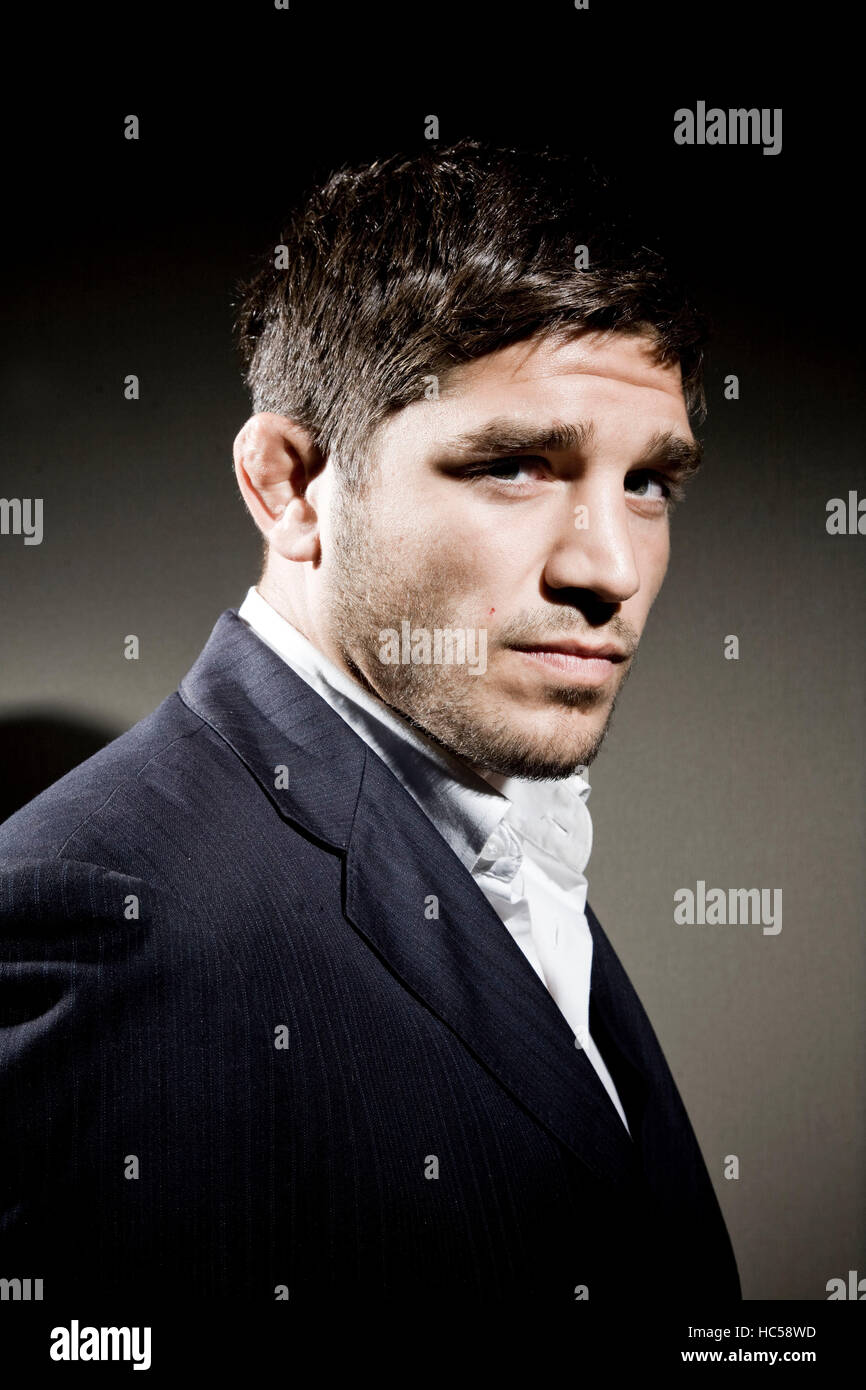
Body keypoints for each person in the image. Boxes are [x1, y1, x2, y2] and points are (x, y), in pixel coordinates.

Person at [0, 140, 740, 1308]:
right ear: (291, 486)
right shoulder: (113, 919)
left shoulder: (497, 821)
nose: (611, 567)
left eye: (648, 481)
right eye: (511, 465)